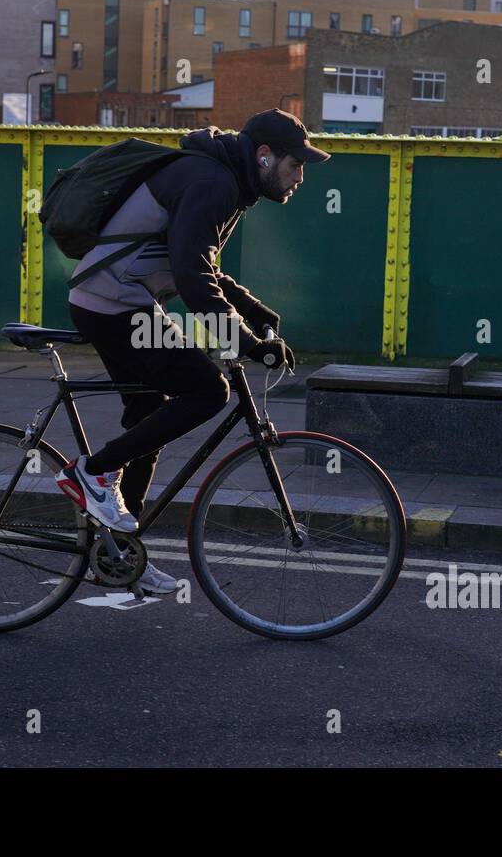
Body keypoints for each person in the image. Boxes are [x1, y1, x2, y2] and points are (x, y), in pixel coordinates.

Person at [54, 109, 330, 592]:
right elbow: (191, 276)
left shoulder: (222, 181)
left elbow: (202, 264)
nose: (300, 178)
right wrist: (244, 341)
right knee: (207, 391)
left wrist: (254, 310)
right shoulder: (212, 183)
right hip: (115, 305)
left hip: (115, 300)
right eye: (295, 166)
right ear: (265, 157)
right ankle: (93, 473)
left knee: (148, 415)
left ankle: (119, 552)